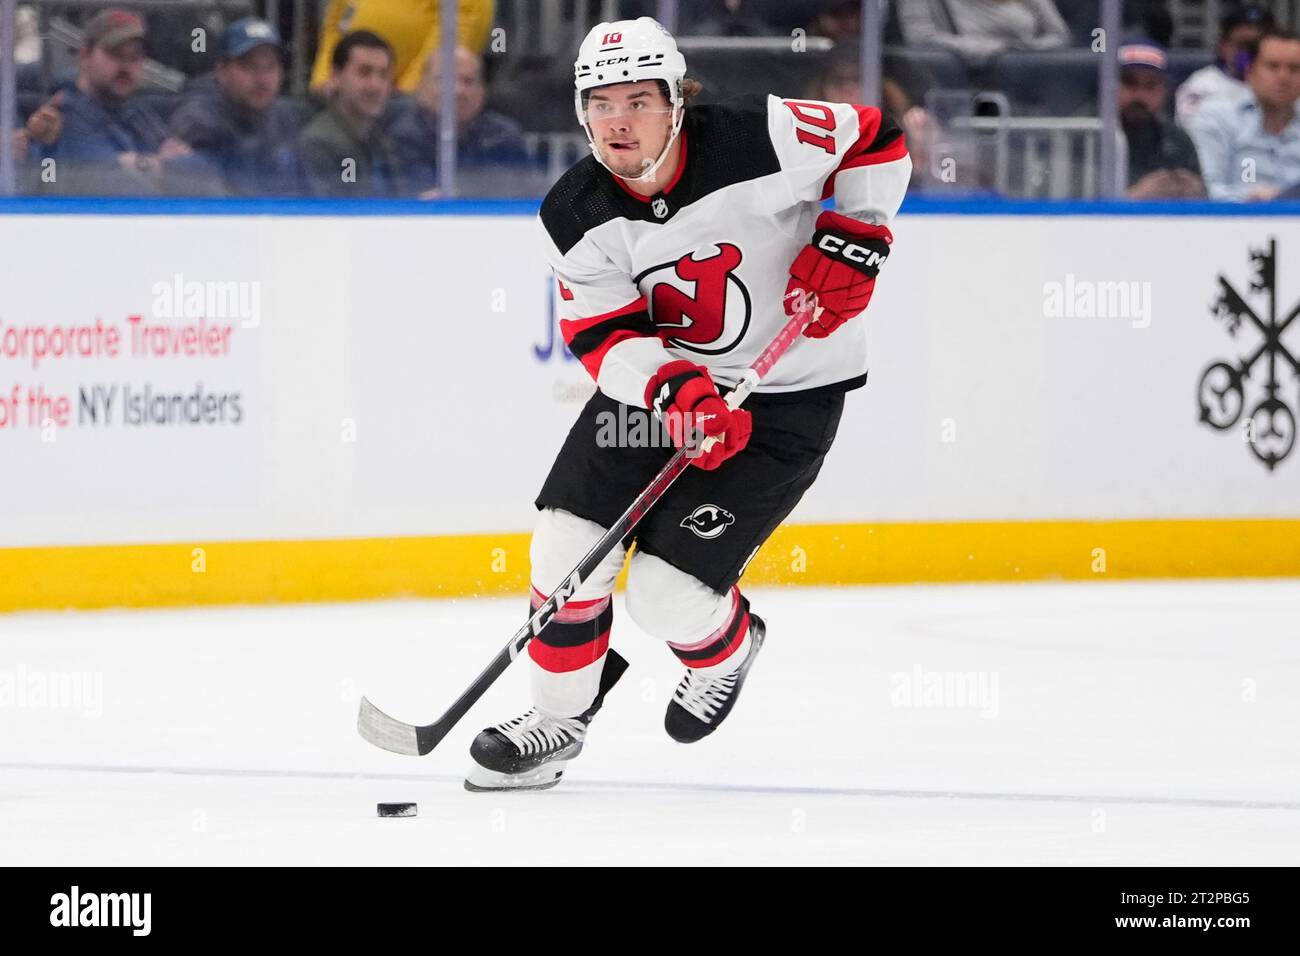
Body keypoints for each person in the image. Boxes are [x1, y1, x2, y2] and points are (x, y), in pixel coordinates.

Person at [464, 17, 910, 791]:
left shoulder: (758, 136)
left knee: (666, 600)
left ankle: (729, 648)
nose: (619, 121)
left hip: (790, 395)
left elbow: (875, 138)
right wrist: (674, 390)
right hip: (666, 388)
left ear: (678, 100)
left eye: (639, 99)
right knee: (563, 546)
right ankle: (558, 722)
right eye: (600, 103)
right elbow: (603, 332)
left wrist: (855, 231)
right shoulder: (574, 211)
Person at [51, 8, 199, 194]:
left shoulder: (135, 110)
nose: (126, 66)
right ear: (85, 56)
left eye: (135, 57)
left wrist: (146, 164)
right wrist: (159, 163)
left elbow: (192, 167)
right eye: (116, 55)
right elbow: (104, 177)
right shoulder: (62, 114)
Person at [169, 18, 304, 196]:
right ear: (221, 71)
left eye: (270, 67)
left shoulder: (283, 117)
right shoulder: (199, 120)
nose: (262, 79)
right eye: (250, 67)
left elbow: (307, 191)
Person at [384, 45, 531, 196]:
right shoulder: (399, 137)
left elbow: (523, 195)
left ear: (483, 91)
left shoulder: (503, 136)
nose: (458, 90)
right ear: (421, 87)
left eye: (468, 81)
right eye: (445, 79)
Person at [1189, 29, 1300, 202]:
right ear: (1250, 71)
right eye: (1273, 66)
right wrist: (1251, 199)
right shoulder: (1215, 115)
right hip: (1235, 221)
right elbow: (1204, 190)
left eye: (1294, 69)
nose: (1283, 77)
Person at [309, 0, 496, 95]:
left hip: (403, 109)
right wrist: (325, 78)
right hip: (339, 94)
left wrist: (400, 96)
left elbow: (449, 44)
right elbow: (335, 26)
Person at [299, 31, 401, 198]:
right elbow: (340, 213)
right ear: (336, 76)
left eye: (383, 75)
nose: (375, 86)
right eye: (364, 72)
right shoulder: (320, 143)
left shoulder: (385, 137)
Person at [1117, 39, 1205, 200]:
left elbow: (1201, 206)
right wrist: (1134, 197)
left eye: (1151, 85)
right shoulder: (1085, 135)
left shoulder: (1177, 141)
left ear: (1165, 92)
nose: (1140, 96)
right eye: (1129, 83)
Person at [1176, 3, 1275, 127]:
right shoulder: (1201, 87)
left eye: (1259, 46)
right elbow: (1195, 135)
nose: (1252, 53)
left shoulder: (1288, 84)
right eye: (1244, 45)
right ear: (1223, 46)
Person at [896, 0, 1070, 68]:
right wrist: (993, 49)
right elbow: (920, 36)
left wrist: (1023, 50)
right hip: (965, 73)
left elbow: (1059, 35)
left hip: (1030, 66)